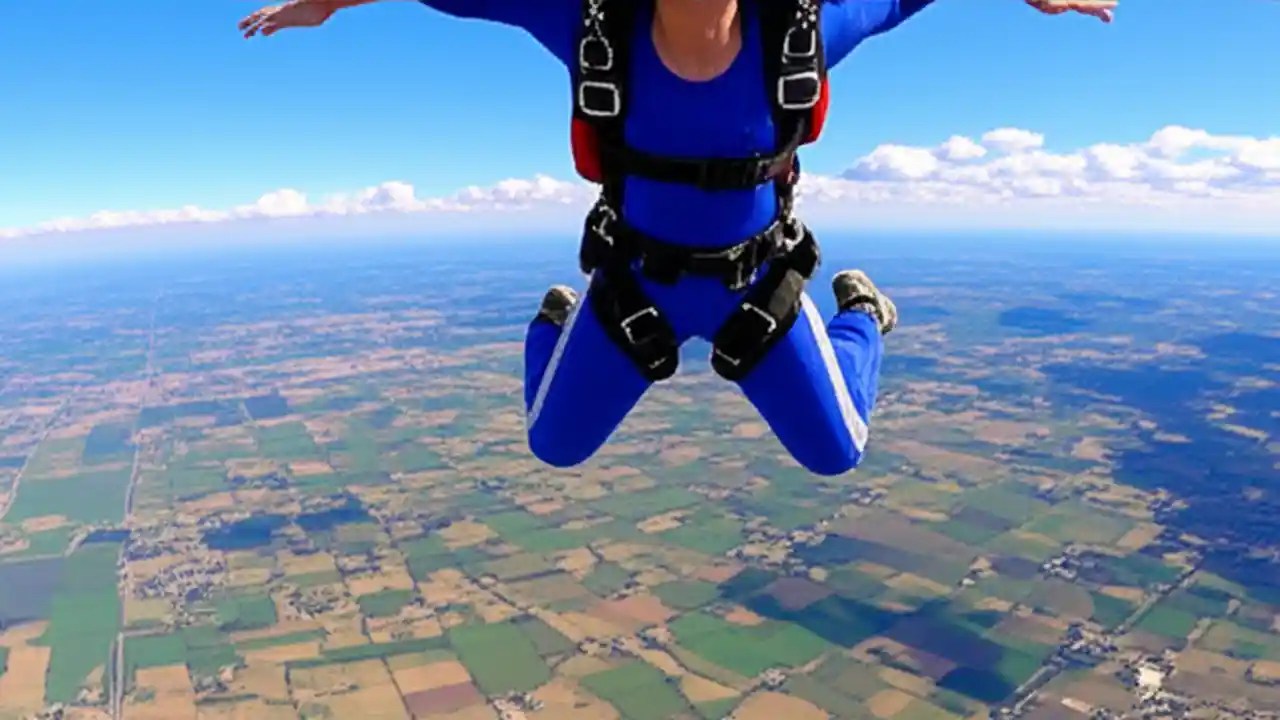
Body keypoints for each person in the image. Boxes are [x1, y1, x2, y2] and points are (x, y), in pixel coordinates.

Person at [241, 0, 1116, 475]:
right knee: (553, 446)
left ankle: (861, 314)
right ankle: (551, 317)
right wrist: (332, 2)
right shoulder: (594, 28)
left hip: (757, 288)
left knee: (838, 451)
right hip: (634, 287)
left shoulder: (799, 32)